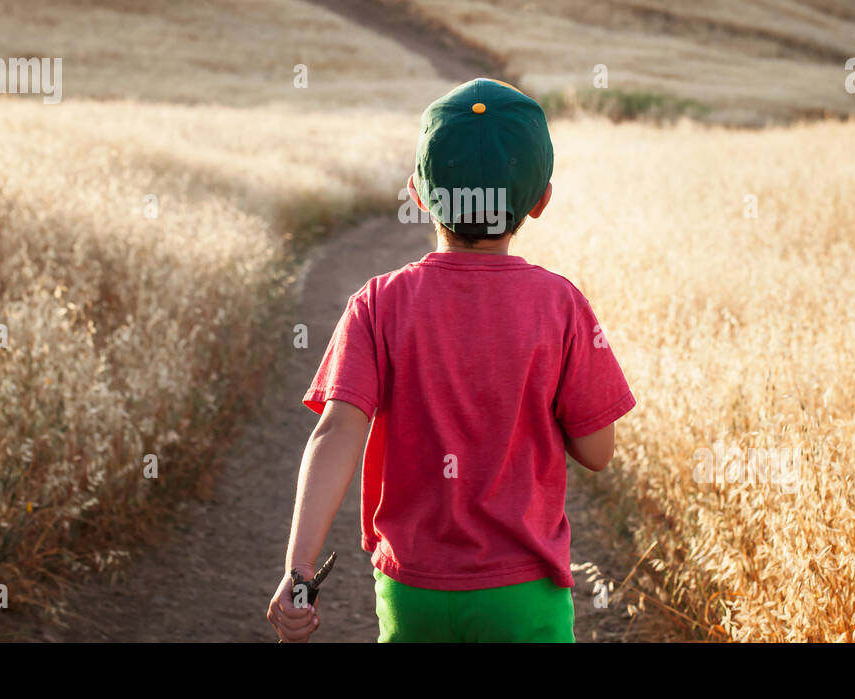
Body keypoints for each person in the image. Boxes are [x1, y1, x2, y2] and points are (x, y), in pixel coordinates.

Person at [266, 77, 636, 643]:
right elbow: (597, 452)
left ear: (418, 192)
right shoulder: (561, 303)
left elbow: (337, 432)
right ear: (540, 201)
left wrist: (298, 573)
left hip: (415, 593)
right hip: (525, 593)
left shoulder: (378, 303)